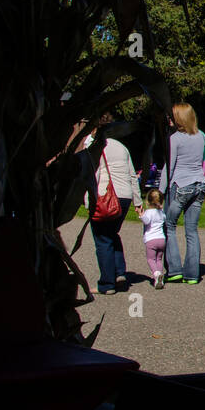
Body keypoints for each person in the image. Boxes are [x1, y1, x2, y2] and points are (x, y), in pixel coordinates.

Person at [87, 115, 143, 294]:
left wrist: (88, 199)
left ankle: (107, 283)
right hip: (125, 195)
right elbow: (132, 174)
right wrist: (138, 200)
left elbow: (91, 173)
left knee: (102, 238)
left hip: (105, 195)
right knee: (112, 234)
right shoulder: (121, 147)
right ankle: (119, 272)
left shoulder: (93, 145)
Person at [163, 102, 205, 284]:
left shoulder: (175, 139)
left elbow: (169, 166)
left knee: (169, 225)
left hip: (181, 185)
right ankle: (192, 274)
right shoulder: (201, 136)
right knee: (191, 230)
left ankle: (174, 269)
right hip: (199, 185)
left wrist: (159, 191)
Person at [140, 188, 167, 289]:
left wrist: (141, 214)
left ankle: (156, 274)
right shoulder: (162, 213)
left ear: (148, 201)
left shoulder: (149, 212)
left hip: (151, 240)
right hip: (161, 239)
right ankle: (159, 279)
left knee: (151, 259)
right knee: (159, 259)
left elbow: (146, 221)